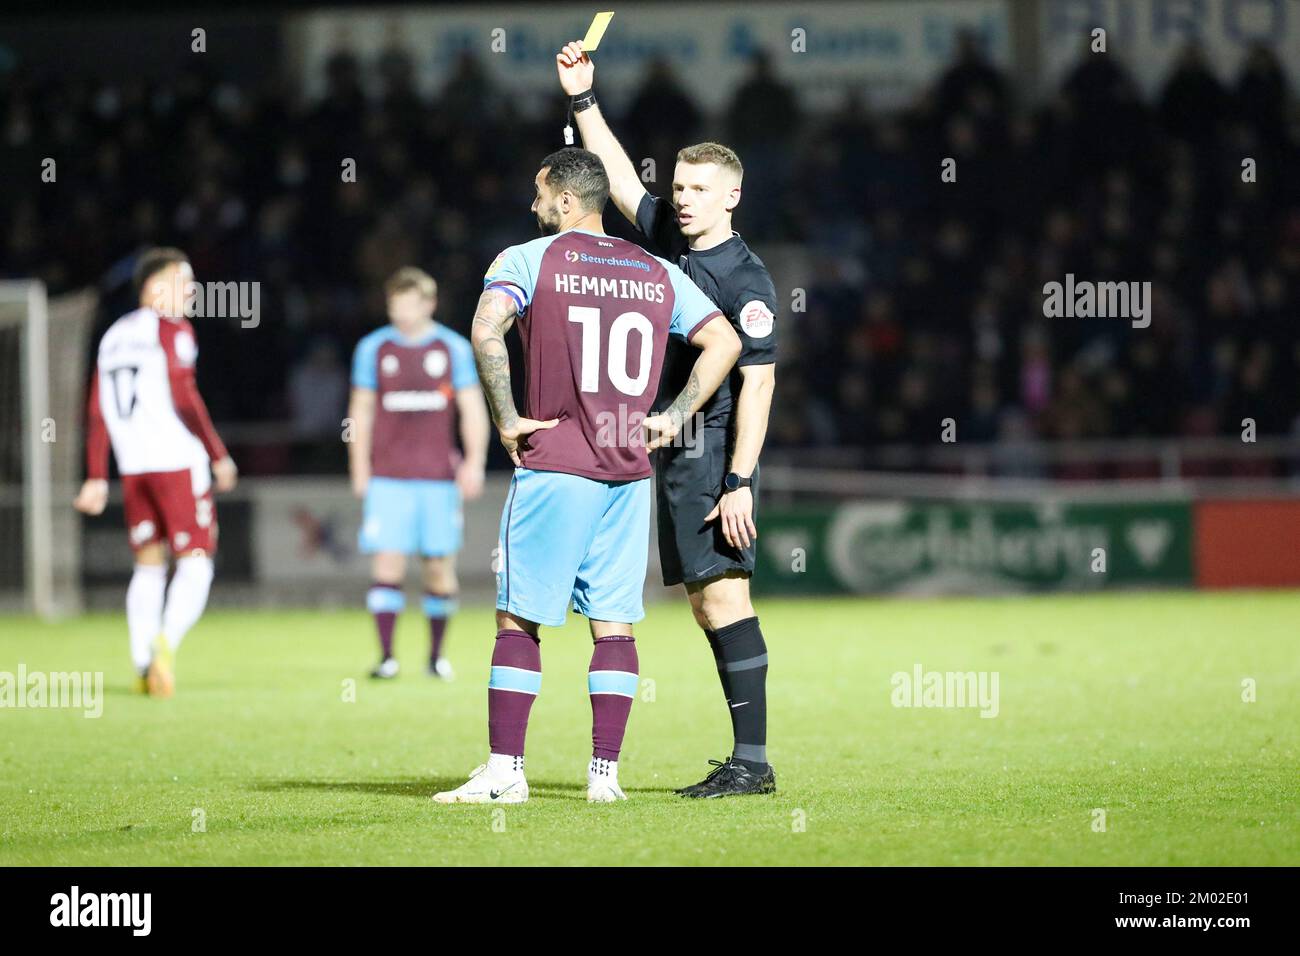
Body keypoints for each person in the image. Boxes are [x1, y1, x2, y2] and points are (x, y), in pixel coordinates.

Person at [433, 149, 740, 804]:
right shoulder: (655, 270)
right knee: (614, 626)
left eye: (539, 192)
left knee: (518, 620)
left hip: (556, 465)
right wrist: (673, 415)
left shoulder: (525, 260)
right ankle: (605, 778)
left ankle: (506, 773)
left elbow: (486, 330)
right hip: (628, 472)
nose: (533, 204)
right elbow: (725, 340)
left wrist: (508, 415)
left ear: (565, 199)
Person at [557, 41, 780, 797]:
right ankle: (748, 760)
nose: (681, 198)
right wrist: (584, 101)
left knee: (722, 598)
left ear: (732, 198)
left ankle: (752, 763)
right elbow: (620, 181)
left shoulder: (744, 278)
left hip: (709, 446)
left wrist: (740, 480)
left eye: (698, 189)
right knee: (707, 601)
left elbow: (759, 384)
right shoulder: (670, 240)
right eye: (679, 186)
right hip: (677, 445)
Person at [74, 247, 238, 697]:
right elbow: (184, 396)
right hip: (177, 462)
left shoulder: (112, 336)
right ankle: (164, 644)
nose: (191, 291)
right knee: (197, 563)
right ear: (152, 287)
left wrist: (94, 474)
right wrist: (218, 453)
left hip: (133, 467)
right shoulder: (172, 330)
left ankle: (143, 662)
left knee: (147, 566)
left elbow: (97, 411)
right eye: (181, 282)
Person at [348, 267, 489, 680]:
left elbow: (471, 409)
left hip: (438, 478)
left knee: (438, 566)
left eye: (410, 304)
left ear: (429, 303)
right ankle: (387, 657)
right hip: (388, 477)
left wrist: (475, 461)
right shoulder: (373, 348)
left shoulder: (452, 348)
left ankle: (435, 657)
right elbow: (360, 411)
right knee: (386, 566)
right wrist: (359, 468)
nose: (402, 312)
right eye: (395, 304)